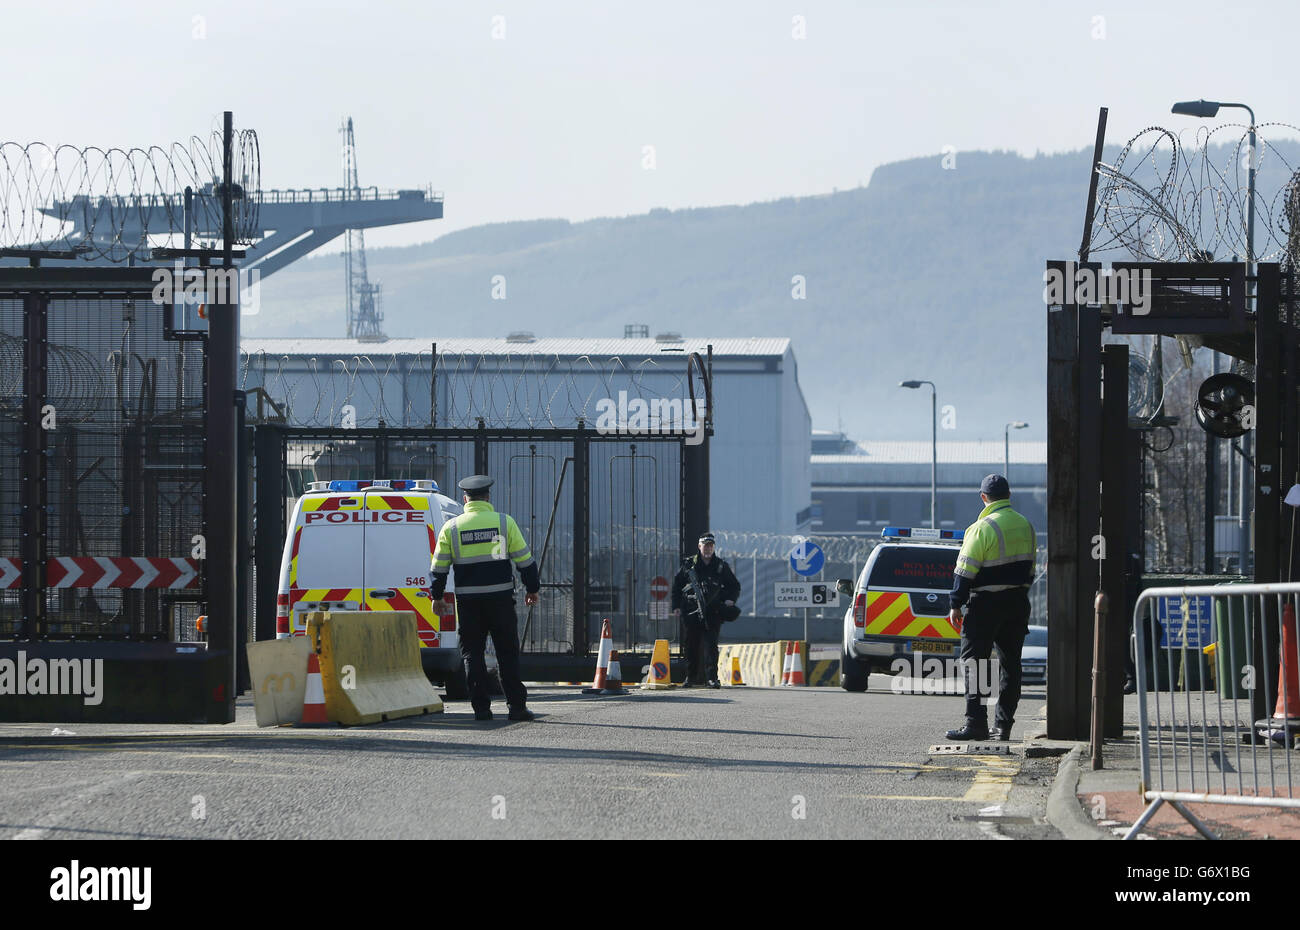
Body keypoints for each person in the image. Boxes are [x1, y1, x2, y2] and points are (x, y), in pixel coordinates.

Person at [430, 475, 540, 722]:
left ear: (465, 499)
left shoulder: (452, 528)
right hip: (500, 600)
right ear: (487, 497)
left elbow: (438, 568)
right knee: (506, 654)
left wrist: (437, 596)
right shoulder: (503, 522)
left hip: (469, 604)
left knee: (472, 654)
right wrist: (532, 588)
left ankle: (481, 709)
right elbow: (525, 560)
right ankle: (517, 707)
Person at [944, 475, 1037, 742]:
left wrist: (956, 604)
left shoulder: (981, 528)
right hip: (1017, 603)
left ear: (983, 497)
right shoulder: (1026, 526)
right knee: (1011, 666)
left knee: (975, 664)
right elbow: (1031, 568)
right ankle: (1003, 726)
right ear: (1009, 495)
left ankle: (976, 724)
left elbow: (964, 571)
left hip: (984, 605)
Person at [671, 532, 741, 688]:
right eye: (705, 545)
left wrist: (730, 599)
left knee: (711, 646)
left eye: (711, 546)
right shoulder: (690, 565)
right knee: (691, 645)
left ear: (714, 547)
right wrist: (676, 606)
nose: (708, 549)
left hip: (713, 611)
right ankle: (691, 678)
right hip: (691, 611)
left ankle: (712, 678)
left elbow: (734, 586)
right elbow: (677, 586)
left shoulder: (721, 566)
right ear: (699, 546)